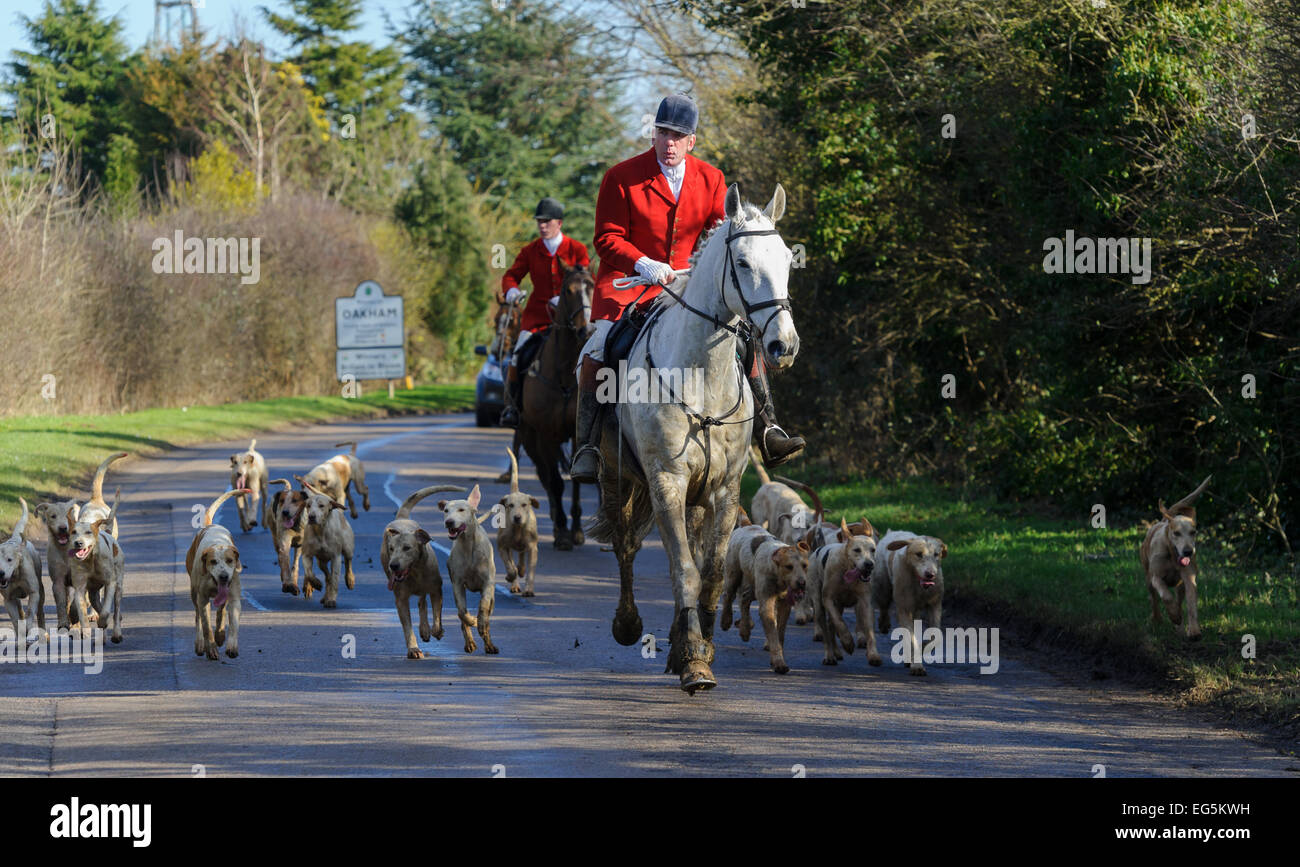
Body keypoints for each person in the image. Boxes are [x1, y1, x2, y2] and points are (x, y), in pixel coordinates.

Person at [568, 93, 804, 482]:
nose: (670, 142)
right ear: (654, 134)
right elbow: (606, 238)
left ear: (691, 140)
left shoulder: (712, 179)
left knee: (742, 334)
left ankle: (768, 429)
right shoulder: (621, 176)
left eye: (678, 135)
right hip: (629, 284)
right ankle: (589, 446)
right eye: (663, 132)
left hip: (687, 283)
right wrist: (643, 263)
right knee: (599, 347)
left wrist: (695, 271)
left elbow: (720, 237)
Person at [498, 197, 590, 427]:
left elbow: (586, 278)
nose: (542, 226)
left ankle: (596, 406)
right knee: (518, 353)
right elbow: (510, 276)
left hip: (571, 317)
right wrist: (511, 292)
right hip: (537, 316)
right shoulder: (530, 251)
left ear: (559, 223)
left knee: (594, 352)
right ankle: (513, 406)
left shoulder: (576, 249)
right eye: (539, 221)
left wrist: (566, 299)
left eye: (547, 221)